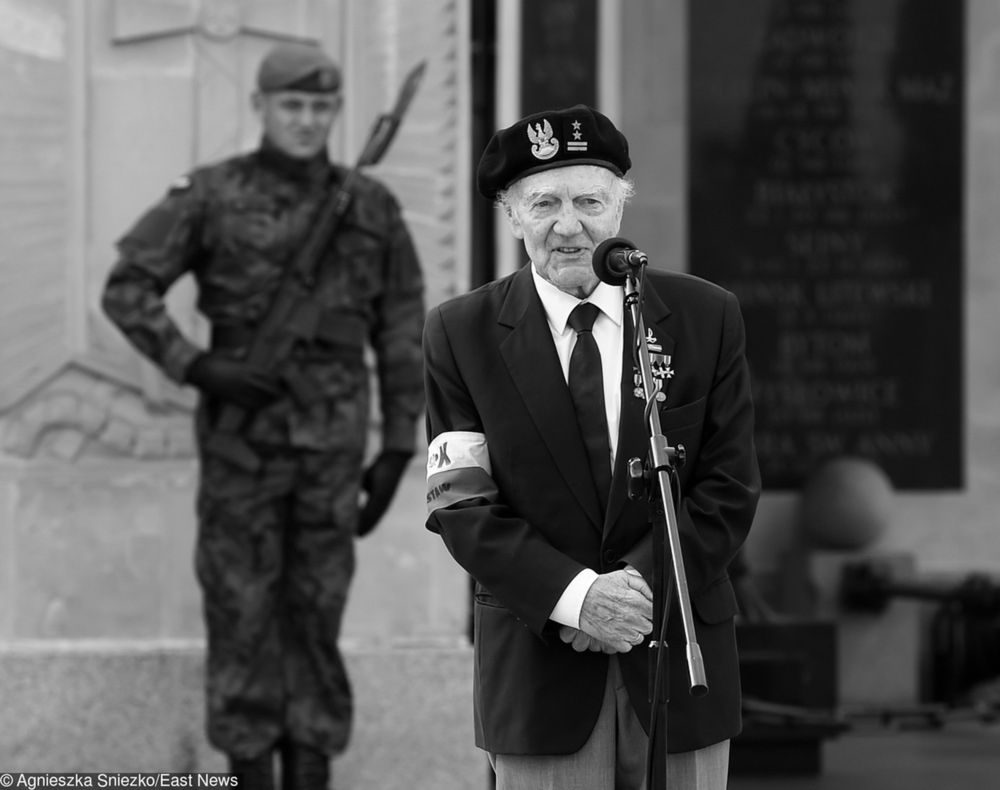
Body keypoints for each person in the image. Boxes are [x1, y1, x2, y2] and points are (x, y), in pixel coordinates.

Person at [102, 42, 425, 790]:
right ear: (261, 107)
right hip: (240, 448)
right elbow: (127, 288)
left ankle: (310, 767)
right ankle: (247, 766)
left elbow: (402, 329)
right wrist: (197, 364)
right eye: (292, 105)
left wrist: (399, 443)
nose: (307, 121)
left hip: (334, 450)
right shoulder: (211, 194)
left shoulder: (371, 207)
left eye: (321, 107)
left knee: (318, 613)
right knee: (240, 613)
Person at [423, 105, 760, 789]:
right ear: (511, 216)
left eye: (589, 202)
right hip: (540, 669)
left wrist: (633, 594)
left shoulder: (705, 317)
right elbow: (460, 503)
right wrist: (578, 599)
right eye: (544, 203)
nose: (568, 225)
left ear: (620, 208)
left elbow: (729, 487)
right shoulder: (459, 332)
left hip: (676, 654)